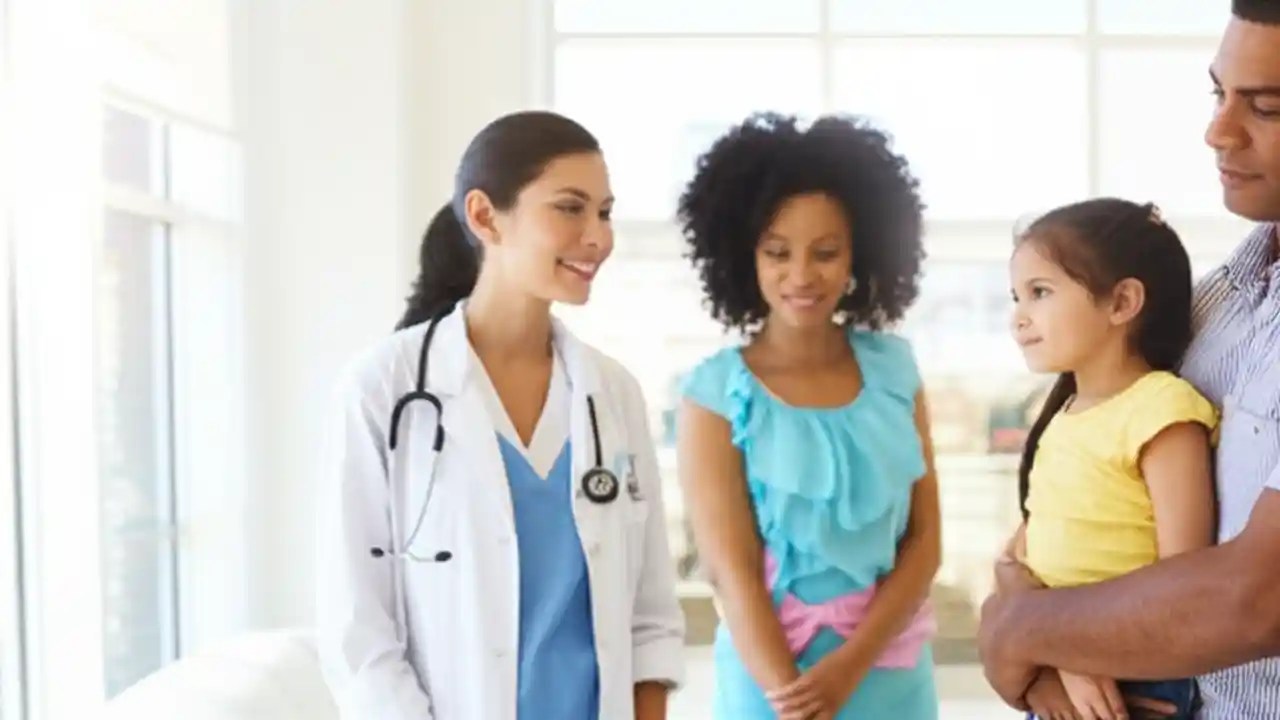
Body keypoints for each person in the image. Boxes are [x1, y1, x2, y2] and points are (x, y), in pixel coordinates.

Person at [314, 110, 685, 720]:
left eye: (605, 212)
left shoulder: (612, 394)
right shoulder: (382, 390)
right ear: (486, 216)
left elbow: (649, 617)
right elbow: (358, 631)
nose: (598, 237)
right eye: (570, 208)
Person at [979, 2, 1280, 718]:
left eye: (1267, 107)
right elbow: (1059, 528)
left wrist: (1017, 630)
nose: (1218, 131)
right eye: (1218, 93)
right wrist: (1041, 662)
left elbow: (1256, 599)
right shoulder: (1217, 303)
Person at [675, 112, 941, 720]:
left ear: (858, 255)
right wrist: (794, 701)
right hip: (771, 685)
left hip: (890, 679)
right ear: (745, 256)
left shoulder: (896, 371)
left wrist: (847, 670)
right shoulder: (715, 392)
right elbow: (730, 571)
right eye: (778, 252)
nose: (801, 275)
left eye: (825, 253)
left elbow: (925, 543)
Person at [1007, 198, 1219, 720]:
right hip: (1063, 666)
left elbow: (1184, 581)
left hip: (1137, 681)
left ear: (1122, 302)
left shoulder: (1163, 410)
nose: (1019, 318)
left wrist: (1073, 649)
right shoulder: (1062, 417)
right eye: (1016, 297)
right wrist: (1058, 655)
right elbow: (1020, 557)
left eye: (1040, 292)